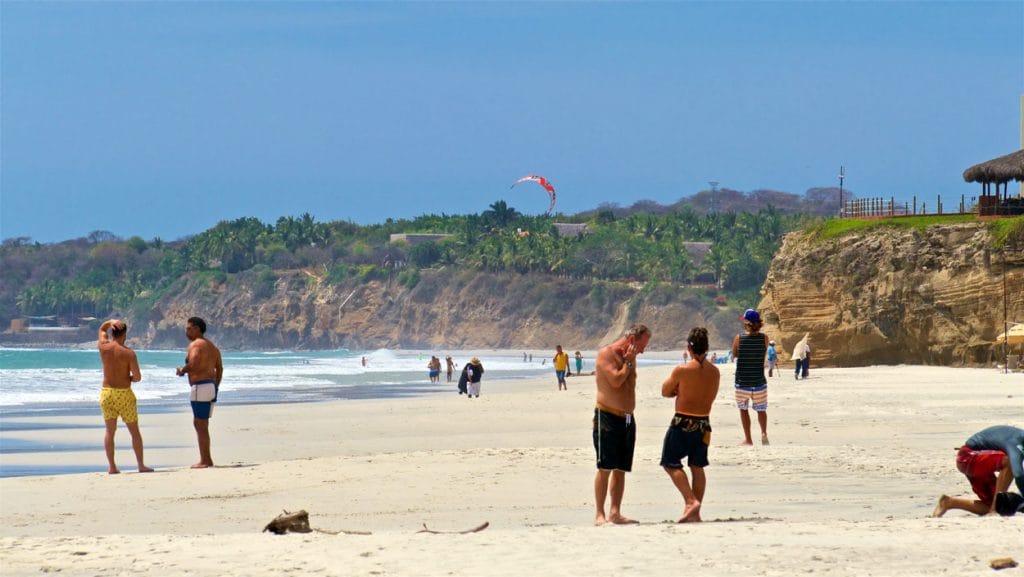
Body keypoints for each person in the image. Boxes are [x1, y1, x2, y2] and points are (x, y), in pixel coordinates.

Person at [593, 323, 651, 526]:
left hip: (627, 418)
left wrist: (630, 362)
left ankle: (615, 512)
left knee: (621, 467)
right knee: (605, 466)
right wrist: (628, 362)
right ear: (633, 340)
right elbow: (616, 381)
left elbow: (628, 382)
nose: (643, 350)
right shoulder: (606, 354)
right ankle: (599, 514)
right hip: (607, 415)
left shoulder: (631, 358)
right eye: (643, 345)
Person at [660, 327, 720, 523]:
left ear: (689, 347)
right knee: (697, 466)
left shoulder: (682, 370)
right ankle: (696, 512)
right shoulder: (715, 372)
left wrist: (679, 391)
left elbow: (665, 391)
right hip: (704, 423)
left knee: (670, 462)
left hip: (683, 422)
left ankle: (690, 501)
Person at [97, 319, 153, 474]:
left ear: (112, 332)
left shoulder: (104, 347)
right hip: (124, 394)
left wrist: (110, 321)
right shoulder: (128, 353)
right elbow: (137, 377)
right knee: (134, 431)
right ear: (125, 334)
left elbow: (102, 329)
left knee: (110, 431)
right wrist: (128, 378)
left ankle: (112, 467)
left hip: (107, 392)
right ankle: (141, 465)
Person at [932, 425, 1024, 517]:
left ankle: (949, 502)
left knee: (993, 506)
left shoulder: (1020, 437)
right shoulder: (1016, 443)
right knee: (1009, 463)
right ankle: (994, 509)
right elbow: (1018, 474)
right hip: (968, 457)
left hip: (973, 461)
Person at [175, 316, 223, 469]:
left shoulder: (196, 345)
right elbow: (219, 368)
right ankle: (206, 458)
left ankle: (205, 460)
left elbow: (194, 362)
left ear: (197, 328)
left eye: (188, 328)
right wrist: (216, 385)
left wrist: (183, 370)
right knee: (203, 423)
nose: (186, 332)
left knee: (199, 423)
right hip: (210, 386)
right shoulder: (212, 347)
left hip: (200, 387)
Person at [732, 309, 770, 446]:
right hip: (759, 380)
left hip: (743, 381)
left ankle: (748, 439)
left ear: (747, 322)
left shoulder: (739, 338)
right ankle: (764, 432)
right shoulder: (764, 338)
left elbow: (735, 354)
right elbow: (764, 351)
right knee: (761, 410)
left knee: (743, 410)